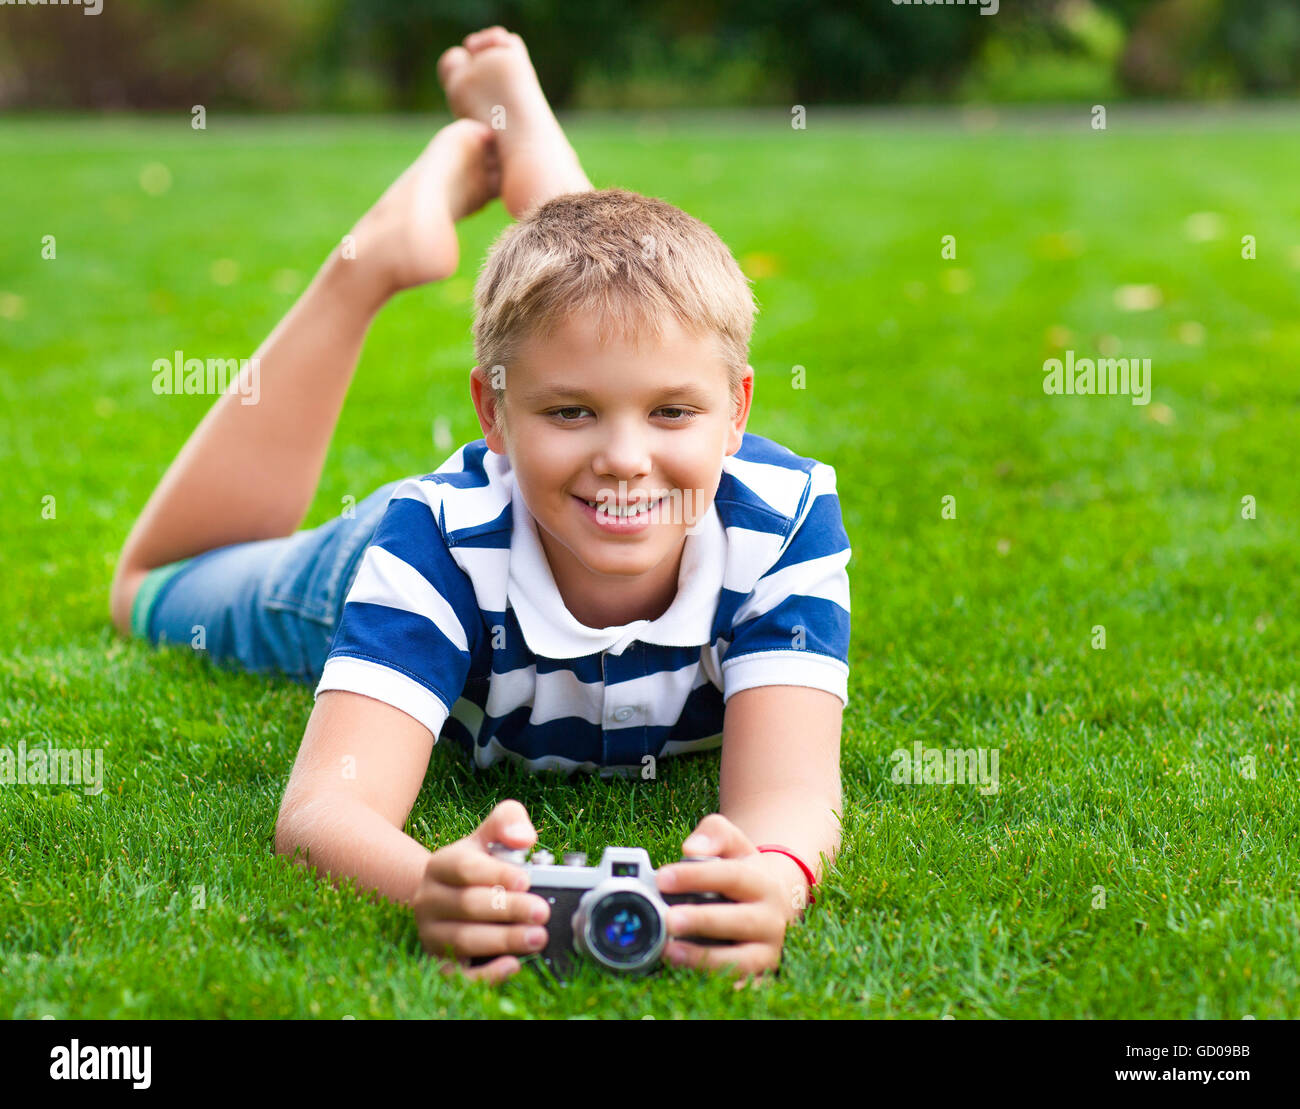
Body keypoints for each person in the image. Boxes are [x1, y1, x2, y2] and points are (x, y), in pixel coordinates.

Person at [109, 27, 852, 983]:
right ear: (491, 413)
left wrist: (776, 877)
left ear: (738, 411)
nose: (628, 460)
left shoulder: (785, 521)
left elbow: (791, 796)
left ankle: (518, 122)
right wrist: (426, 883)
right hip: (372, 563)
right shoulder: (432, 544)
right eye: (570, 411)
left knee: (597, 300)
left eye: (674, 410)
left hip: (543, 476)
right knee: (145, 589)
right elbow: (323, 811)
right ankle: (370, 258)